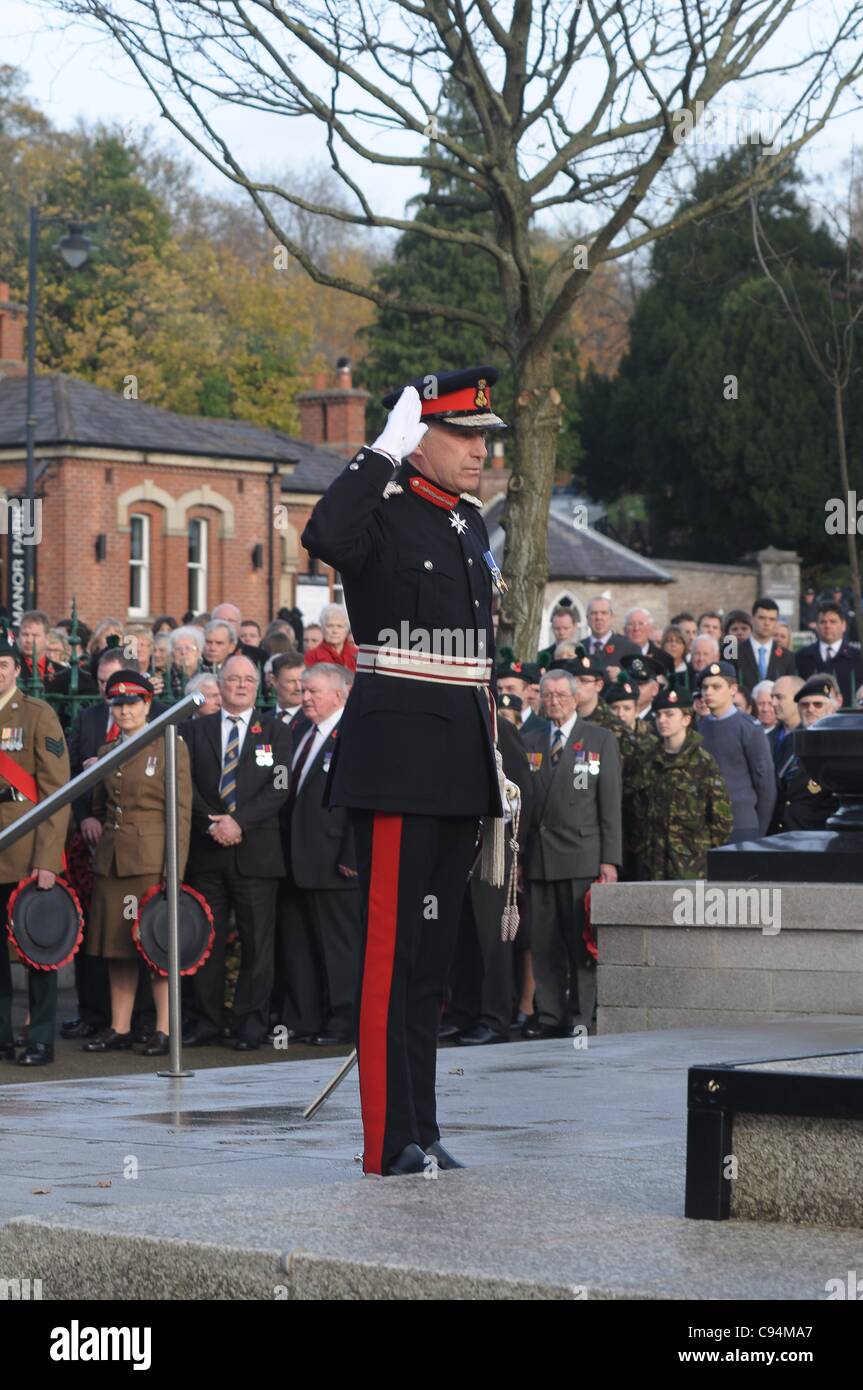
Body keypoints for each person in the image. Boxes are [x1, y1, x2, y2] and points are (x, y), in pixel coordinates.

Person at [301, 365, 507, 1177]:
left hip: (460, 759)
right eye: (460, 435)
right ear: (418, 435)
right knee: (388, 957)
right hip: (396, 763)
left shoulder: (466, 525)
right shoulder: (379, 511)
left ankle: (421, 1125)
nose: (476, 453)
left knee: (429, 960)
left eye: (483, 439)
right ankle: (386, 1141)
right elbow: (323, 534)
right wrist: (378, 451)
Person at [181, 653, 293, 1049]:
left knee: (257, 945)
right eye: (233, 679)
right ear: (220, 685)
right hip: (207, 851)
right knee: (205, 941)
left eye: (248, 679)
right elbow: (184, 783)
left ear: (258, 685)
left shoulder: (276, 731)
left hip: (256, 854)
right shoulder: (198, 730)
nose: (241, 685)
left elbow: (279, 786)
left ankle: (250, 1026)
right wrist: (211, 822)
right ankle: (208, 1021)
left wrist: (238, 822)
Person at [83, 671, 192, 1056]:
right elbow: (100, 807)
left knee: (155, 945)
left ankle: (164, 1028)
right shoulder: (108, 749)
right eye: (118, 704)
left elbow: (180, 812)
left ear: (148, 704)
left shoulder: (169, 745)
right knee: (117, 947)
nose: (125, 710)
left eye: (132, 703)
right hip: (113, 861)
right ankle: (120, 1025)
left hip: (150, 860)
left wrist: (172, 871)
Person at [521, 669, 621, 1037]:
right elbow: (522, 805)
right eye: (547, 695)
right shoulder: (528, 739)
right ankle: (549, 1015)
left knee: (580, 943)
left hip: (581, 855)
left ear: (576, 697)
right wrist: (517, 860)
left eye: (562, 695)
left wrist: (609, 860)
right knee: (544, 944)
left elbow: (609, 804)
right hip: (539, 857)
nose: (554, 701)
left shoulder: (599, 739)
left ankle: (581, 1016)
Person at [275, 665, 360, 1045]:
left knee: (338, 946)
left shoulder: (354, 734)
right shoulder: (300, 731)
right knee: (300, 946)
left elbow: (359, 800)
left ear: (339, 696)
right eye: (302, 690)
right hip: (296, 859)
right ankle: (304, 1017)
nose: (304, 697)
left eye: (313, 691)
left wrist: (351, 854)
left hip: (333, 861)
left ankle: (343, 1020)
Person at [0, 624, 71, 1066]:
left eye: (3, 665)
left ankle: (41, 1037)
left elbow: (56, 792)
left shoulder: (37, 714)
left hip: (24, 852)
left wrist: (48, 859)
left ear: (15, 669)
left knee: (36, 950)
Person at [447, 707, 533, 1045]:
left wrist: (516, 851)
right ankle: (463, 1012)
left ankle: (495, 1018)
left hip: (494, 849)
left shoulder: (501, 730)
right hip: (459, 848)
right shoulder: (453, 724)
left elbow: (522, 791)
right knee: (461, 938)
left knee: (491, 940)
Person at [631, 685, 733, 879]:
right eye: (659, 715)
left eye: (669, 715)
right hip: (651, 866)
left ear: (686, 719)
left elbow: (722, 821)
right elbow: (638, 813)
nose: (662, 720)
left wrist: (700, 853)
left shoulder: (703, 762)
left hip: (690, 867)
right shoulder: (649, 760)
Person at [696, 660, 776, 841]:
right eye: (705, 687)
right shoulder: (699, 728)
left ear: (732, 690)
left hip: (741, 825)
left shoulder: (748, 727)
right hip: (705, 825)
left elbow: (765, 783)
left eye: (716, 686)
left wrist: (759, 829)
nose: (708, 692)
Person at [770, 675, 842, 833]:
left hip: (819, 835)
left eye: (818, 704)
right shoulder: (788, 742)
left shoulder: (840, 746)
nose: (810, 709)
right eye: (804, 704)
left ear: (832, 708)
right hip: (782, 834)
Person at [795, 600, 863, 708]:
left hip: (848, 720)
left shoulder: (858, 658)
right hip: (813, 718)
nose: (827, 626)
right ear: (816, 626)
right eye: (822, 622)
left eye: (833, 621)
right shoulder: (801, 657)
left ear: (843, 625)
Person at [735, 598, 796, 690]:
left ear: (776, 622)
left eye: (771, 619)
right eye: (762, 618)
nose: (766, 623)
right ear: (752, 619)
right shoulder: (735, 652)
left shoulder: (787, 657)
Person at [580, 598, 639, 676]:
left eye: (604, 613)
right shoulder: (578, 647)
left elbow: (638, 681)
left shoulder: (630, 649)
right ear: (587, 618)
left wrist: (622, 676)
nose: (598, 617)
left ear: (612, 617)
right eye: (594, 613)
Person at [302, 603, 358, 672]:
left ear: (346, 630)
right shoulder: (312, 656)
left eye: (339, 626)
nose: (334, 631)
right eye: (330, 626)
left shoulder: (357, 654)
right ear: (322, 628)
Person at [623, 607, 673, 677]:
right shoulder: (617, 654)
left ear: (650, 629)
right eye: (631, 624)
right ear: (625, 630)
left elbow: (670, 686)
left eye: (641, 623)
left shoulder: (664, 658)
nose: (636, 628)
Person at [769, 674, 803, 768]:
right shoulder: (768, 737)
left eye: (779, 697)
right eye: (772, 697)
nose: (773, 703)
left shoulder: (809, 738)